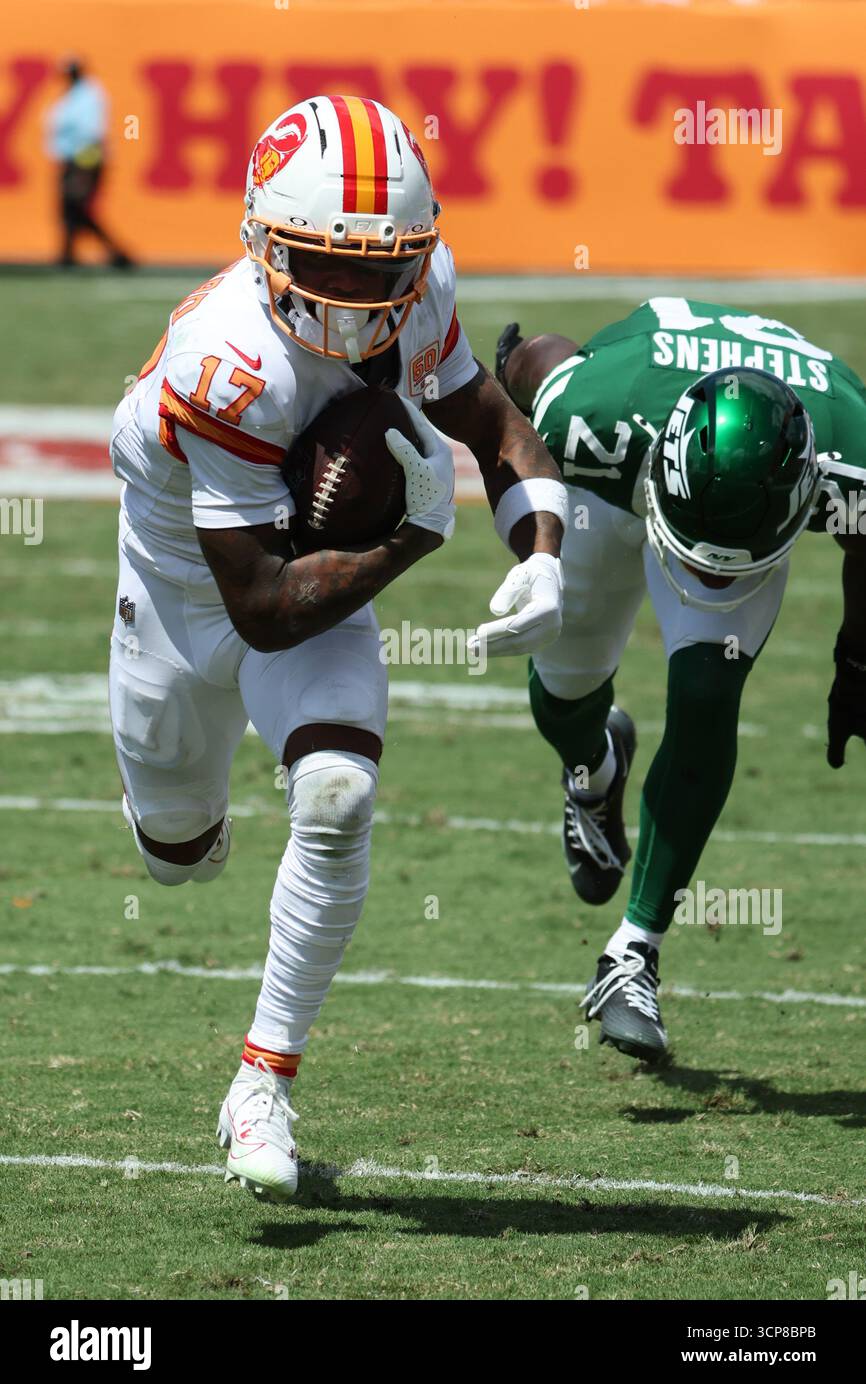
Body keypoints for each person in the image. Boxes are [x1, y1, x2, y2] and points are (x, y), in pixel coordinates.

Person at [109, 96, 568, 1202]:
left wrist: (542, 547)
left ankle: (262, 1078)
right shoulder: (230, 361)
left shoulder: (421, 293)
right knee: (174, 855)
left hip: (313, 598)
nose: (360, 301)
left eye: (384, 271)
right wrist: (413, 535)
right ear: (263, 241)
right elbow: (260, 603)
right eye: (329, 266)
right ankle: (181, 827)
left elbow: (491, 421)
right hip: (186, 601)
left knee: (335, 794)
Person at [496, 298, 866, 1060]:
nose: (699, 572)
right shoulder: (596, 414)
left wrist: (855, 658)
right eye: (696, 553)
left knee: (706, 702)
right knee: (564, 691)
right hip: (617, 487)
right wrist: (536, 553)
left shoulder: (851, 454)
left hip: (735, 491)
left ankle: (633, 953)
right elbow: (536, 368)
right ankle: (594, 765)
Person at [45, 59, 132, 267]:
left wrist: (84, 166)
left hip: (83, 159)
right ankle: (69, 255)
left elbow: (91, 132)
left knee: (76, 207)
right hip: (72, 159)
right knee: (70, 209)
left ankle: (114, 253)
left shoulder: (88, 95)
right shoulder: (72, 95)